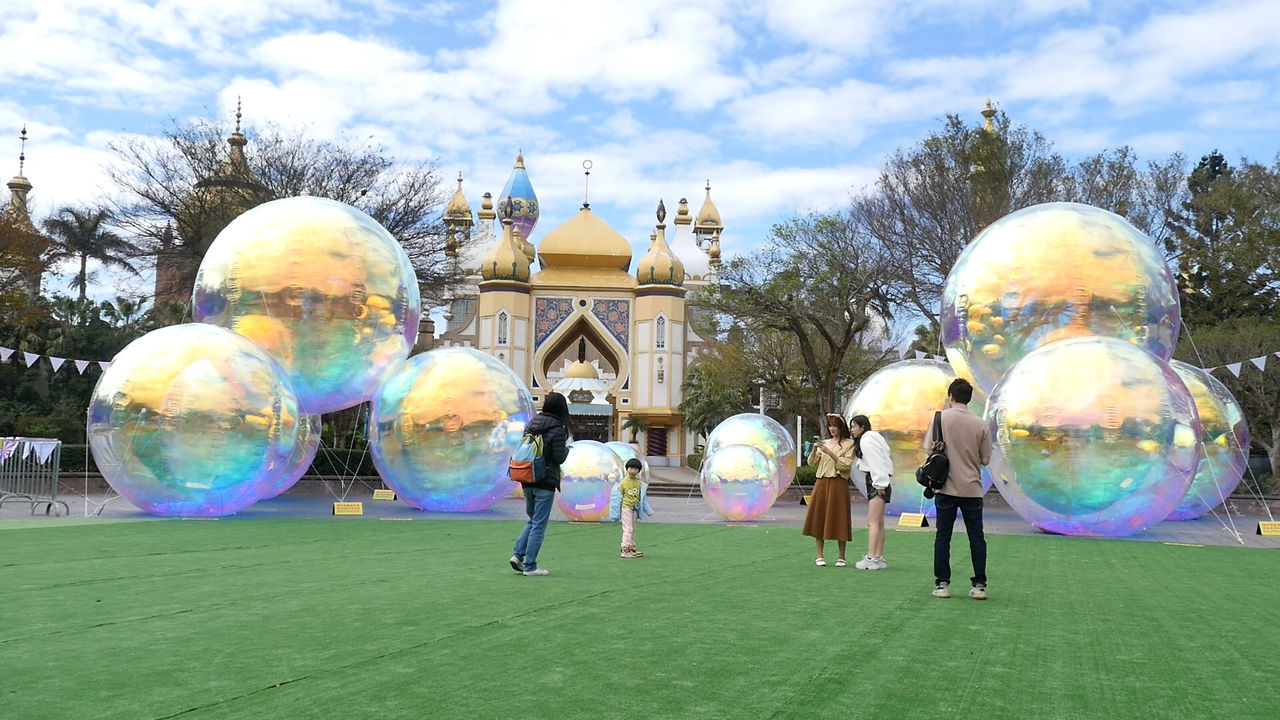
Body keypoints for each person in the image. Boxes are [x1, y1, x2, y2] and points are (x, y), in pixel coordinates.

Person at [923, 378, 992, 600]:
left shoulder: (939, 419)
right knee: (976, 537)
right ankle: (979, 585)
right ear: (969, 399)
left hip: (945, 488)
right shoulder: (980, 424)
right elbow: (985, 459)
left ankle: (942, 584)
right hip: (972, 489)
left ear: (950, 396)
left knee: (943, 536)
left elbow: (928, 451)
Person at [510, 392, 572, 577]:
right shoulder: (558, 428)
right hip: (545, 480)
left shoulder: (532, 424)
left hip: (527, 477)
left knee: (533, 520)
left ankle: (517, 555)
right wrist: (567, 450)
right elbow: (558, 457)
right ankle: (530, 566)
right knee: (539, 523)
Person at [801, 413, 857, 567]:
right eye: (830, 426)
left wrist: (830, 453)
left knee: (840, 517)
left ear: (841, 427)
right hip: (821, 482)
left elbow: (845, 465)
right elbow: (812, 463)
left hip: (839, 483)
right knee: (819, 516)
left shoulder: (849, 444)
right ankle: (820, 555)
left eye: (835, 426)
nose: (832, 429)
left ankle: (841, 556)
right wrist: (814, 450)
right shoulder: (824, 442)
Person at [849, 415, 893, 570]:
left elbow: (876, 463)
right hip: (880, 481)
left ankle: (871, 558)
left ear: (862, 427)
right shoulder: (874, 438)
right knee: (878, 522)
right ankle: (878, 557)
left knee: (872, 521)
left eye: (854, 426)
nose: (852, 430)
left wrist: (879, 484)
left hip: (877, 482)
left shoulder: (867, 440)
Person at [608, 458, 654, 558]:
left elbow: (642, 498)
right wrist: (615, 514)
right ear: (627, 469)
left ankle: (632, 548)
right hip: (626, 508)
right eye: (631, 468)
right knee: (628, 529)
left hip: (635, 509)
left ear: (639, 471)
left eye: (635, 469)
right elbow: (617, 498)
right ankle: (625, 549)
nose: (633, 471)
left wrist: (649, 511)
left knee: (632, 529)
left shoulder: (639, 483)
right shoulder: (623, 483)